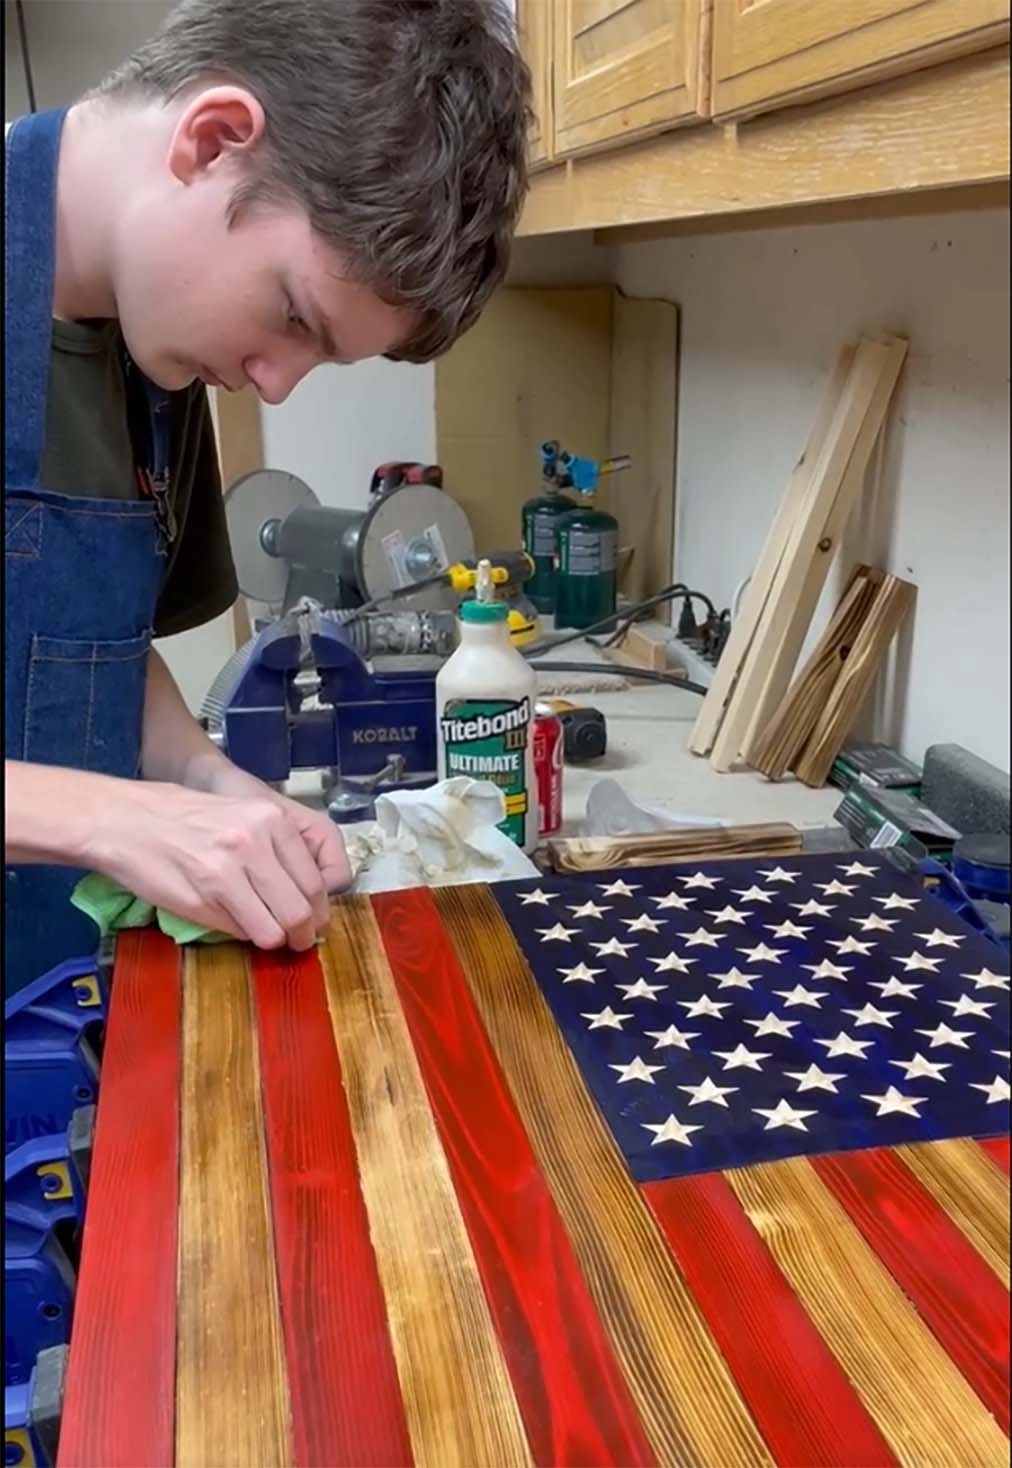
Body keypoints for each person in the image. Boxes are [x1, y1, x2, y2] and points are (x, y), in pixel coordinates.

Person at [4, 0, 530, 995]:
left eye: (317, 356)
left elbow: (81, 652)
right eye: (291, 313)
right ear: (212, 140)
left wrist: (207, 782)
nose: (276, 382)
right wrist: (110, 818)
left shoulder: (151, 348)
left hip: (46, 1008)